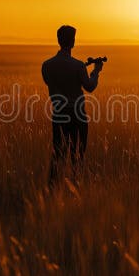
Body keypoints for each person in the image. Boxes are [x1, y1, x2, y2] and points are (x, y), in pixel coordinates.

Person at [41, 25, 103, 185]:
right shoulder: (78, 66)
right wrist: (95, 72)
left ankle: (52, 188)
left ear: (58, 40)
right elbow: (89, 87)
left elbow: (52, 82)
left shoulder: (46, 65)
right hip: (78, 115)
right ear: (73, 41)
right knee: (78, 156)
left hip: (59, 114)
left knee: (58, 154)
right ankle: (76, 187)